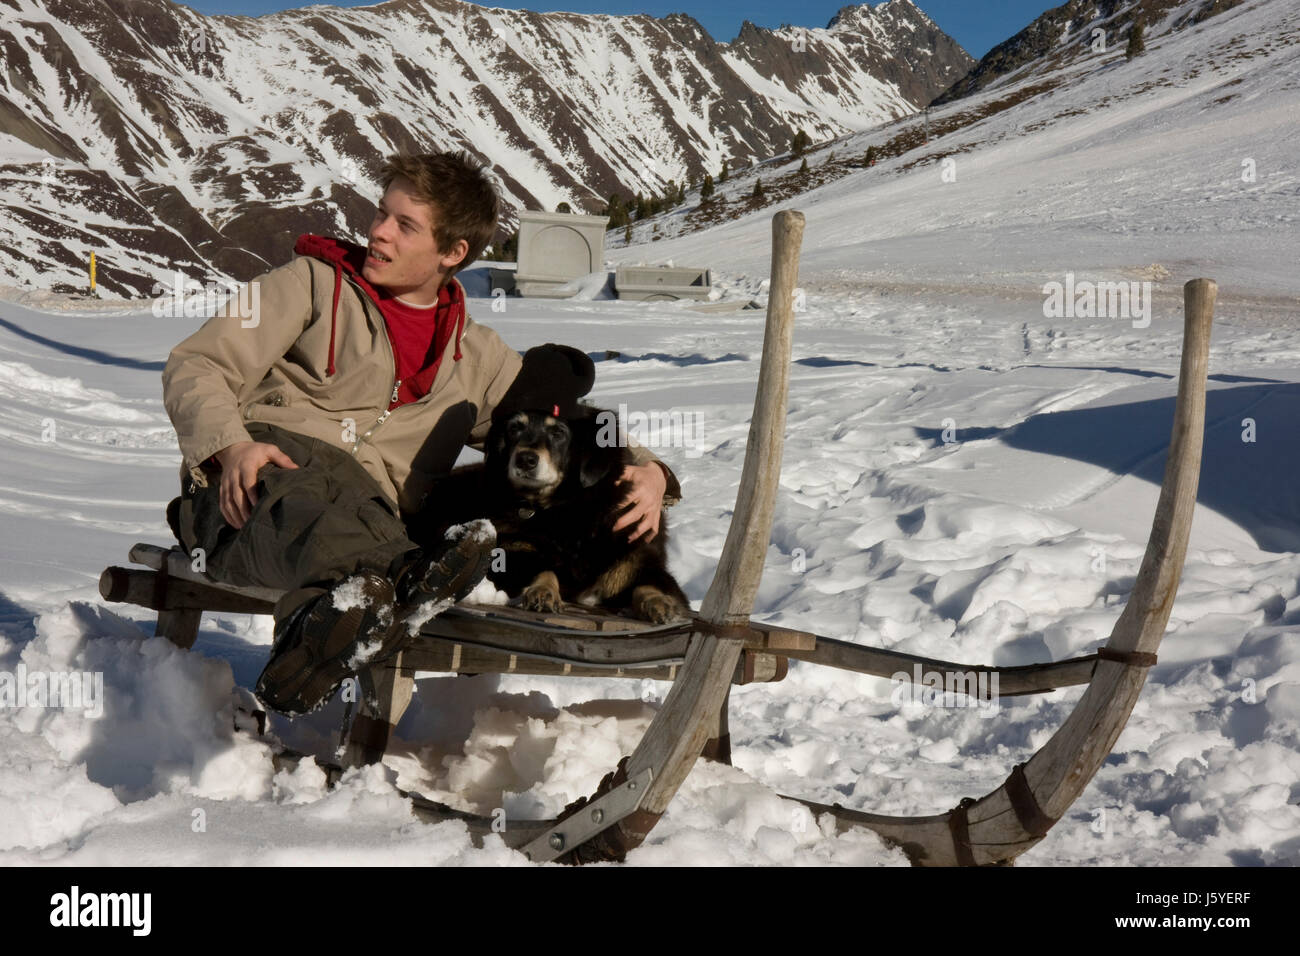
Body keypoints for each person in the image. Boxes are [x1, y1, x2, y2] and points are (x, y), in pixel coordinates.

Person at [162, 150, 681, 717]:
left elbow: (569, 425)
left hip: (370, 516)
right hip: (249, 496)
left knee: (378, 535)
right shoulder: (307, 286)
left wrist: (651, 473)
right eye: (381, 214)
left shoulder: (475, 357)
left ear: (452, 253)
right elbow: (197, 365)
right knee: (325, 512)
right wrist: (230, 445)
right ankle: (398, 585)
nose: (378, 233)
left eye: (405, 225)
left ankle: (323, 641)